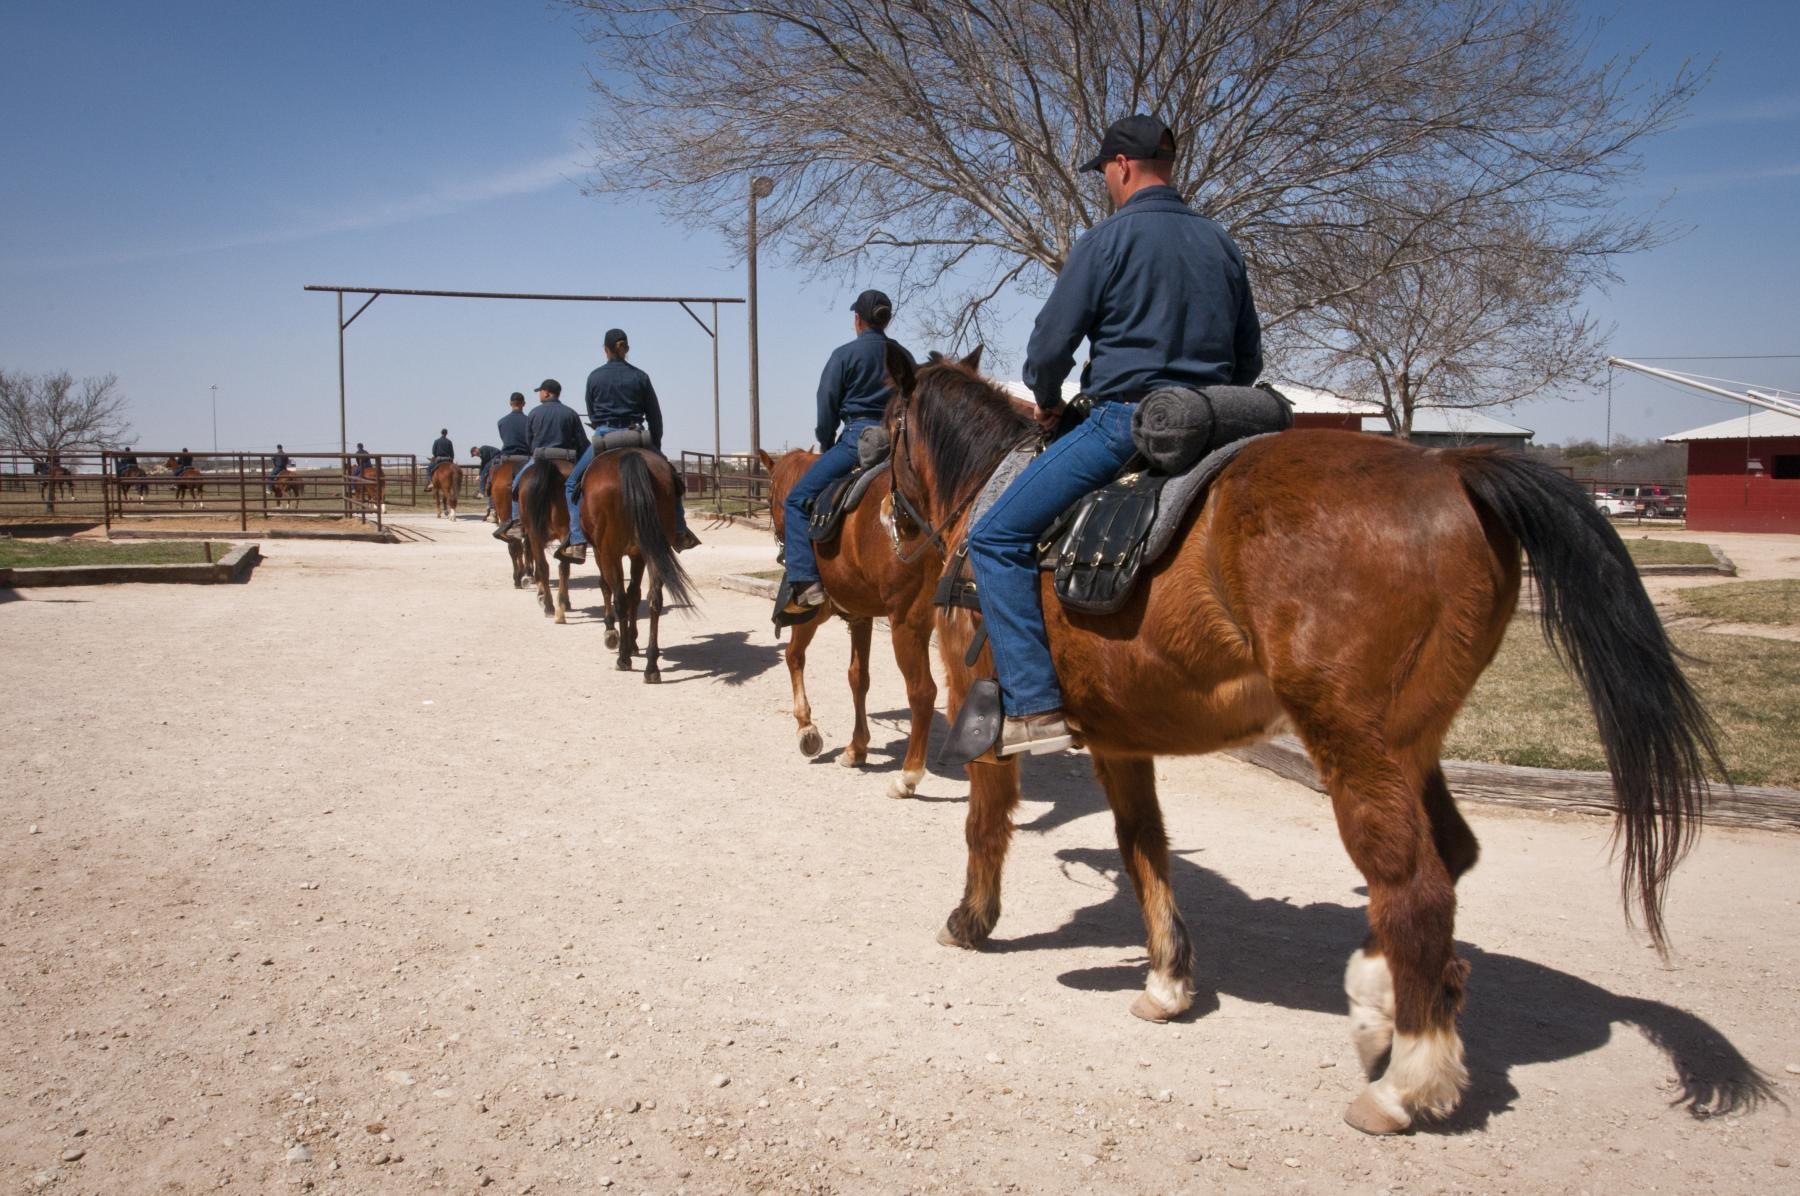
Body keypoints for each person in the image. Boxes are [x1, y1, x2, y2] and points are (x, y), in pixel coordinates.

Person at [966, 114, 1262, 756]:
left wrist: (1048, 402)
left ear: (1122, 166)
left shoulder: (1105, 241)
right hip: (1213, 424)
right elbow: (1250, 362)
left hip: (1123, 424)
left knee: (992, 534)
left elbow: (1048, 350)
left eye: (1103, 170)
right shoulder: (1221, 244)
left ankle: (1034, 703)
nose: (1105, 180)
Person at [779, 289, 914, 612]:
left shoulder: (843, 355)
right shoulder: (904, 356)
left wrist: (827, 443)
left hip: (856, 439)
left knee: (796, 501)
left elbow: (826, 405)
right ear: (886, 320)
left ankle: (805, 580)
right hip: (898, 442)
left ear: (857, 320)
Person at [555, 328, 697, 565]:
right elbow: (655, 415)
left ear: (605, 350)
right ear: (626, 349)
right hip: (637, 436)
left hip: (605, 435)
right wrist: (654, 446)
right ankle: (680, 531)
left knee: (571, 484)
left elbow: (591, 411)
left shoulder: (595, 376)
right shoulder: (640, 376)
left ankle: (577, 540)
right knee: (673, 478)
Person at [502, 380, 585, 540]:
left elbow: (529, 441)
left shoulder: (534, 413)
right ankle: (580, 528)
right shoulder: (571, 413)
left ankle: (517, 523)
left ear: (547, 393)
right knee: (583, 488)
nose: (539, 394)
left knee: (515, 486)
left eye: (540, 391)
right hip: (566, 459)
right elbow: (581, 442)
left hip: (539, 458)